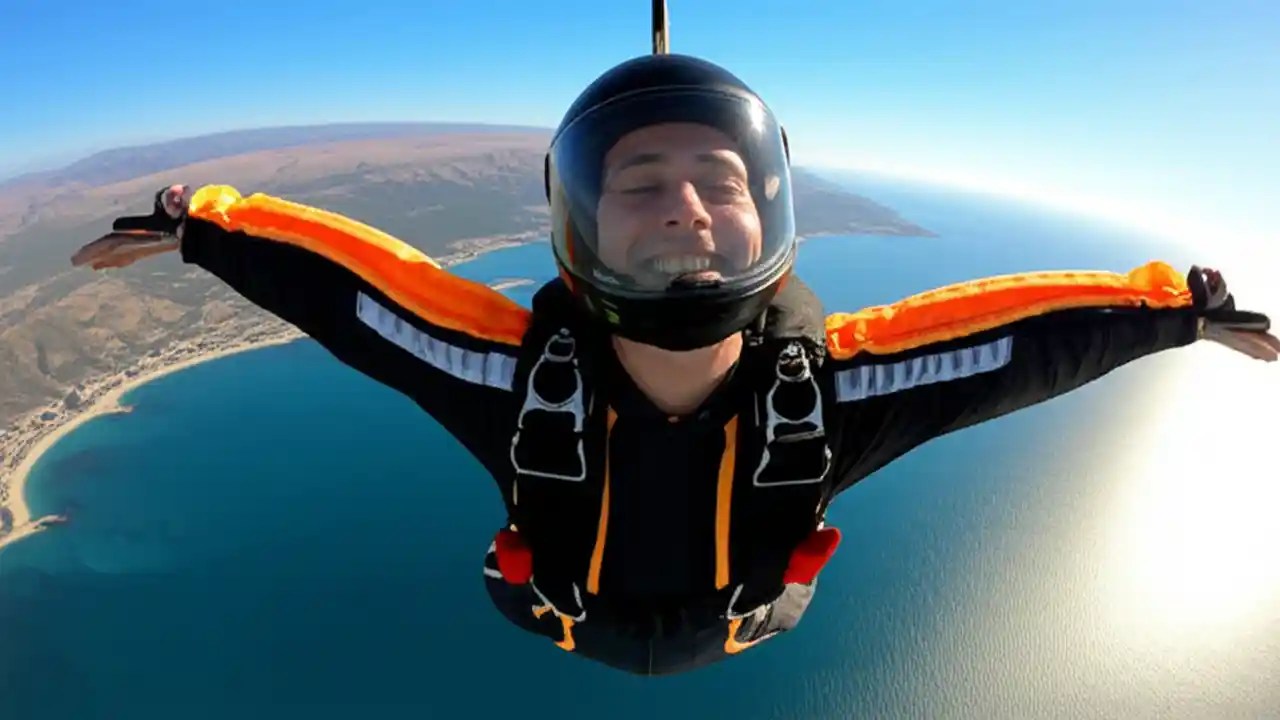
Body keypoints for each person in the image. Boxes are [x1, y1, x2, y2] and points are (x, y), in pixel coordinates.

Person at [71, 53, 1278, 676]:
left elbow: (1024, 348)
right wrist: (199, 222)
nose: (689, 210)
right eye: (641, 184)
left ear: (767, 217)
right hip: (571, 615)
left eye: (721, 185)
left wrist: (1181, 310)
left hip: (698, 617)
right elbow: (349, 292)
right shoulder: (496, 371)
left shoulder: (836, 390)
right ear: (581, 222)